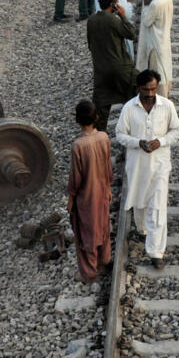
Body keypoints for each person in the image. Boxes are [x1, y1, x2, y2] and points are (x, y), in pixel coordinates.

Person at [116, 69, 179, 269]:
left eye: (153, 89)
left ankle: (155, 252)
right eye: (146, 89)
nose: (150, 93)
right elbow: (120, 134)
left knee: (158, 207)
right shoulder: (129, 108)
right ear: (139, 88)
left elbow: (176, 130)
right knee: (140, 202)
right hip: (137, 166)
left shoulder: (167, 106)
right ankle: (142, 229)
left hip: (160, 165)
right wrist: (138, 142)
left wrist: (160, 141)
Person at [67, 100, 112, 283]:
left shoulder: (78, 145)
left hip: (86, 196)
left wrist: (71, 199)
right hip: (102, 191)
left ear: (77, 120)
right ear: (96, 117)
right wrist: (108, 188)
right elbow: (108, 167)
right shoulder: (104, 137)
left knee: (86, 232)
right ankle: (104, 261)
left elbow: (75, 178)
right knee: (102, 226)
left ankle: (89, 272)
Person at [86, 0, 140, 131]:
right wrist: (123, 16)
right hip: (120, 70)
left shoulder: (91, 21)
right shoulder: (113, 20)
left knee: (100, 111)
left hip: (101, 72)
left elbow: (90, 46)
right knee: (137, 94)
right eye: (117, 2)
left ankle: (99, 139)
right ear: (113, 4)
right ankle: (135, 131)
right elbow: (131, 34)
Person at [136, 0, 174, 97]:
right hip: (164, 40)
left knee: (158, 72)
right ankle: (165, 94)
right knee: (165, 68)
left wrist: (146, 5)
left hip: (155, 43)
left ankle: (160, 97)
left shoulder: (155, 3)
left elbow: (147, 21)